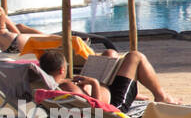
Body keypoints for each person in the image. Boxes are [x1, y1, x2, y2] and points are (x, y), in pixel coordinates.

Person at [37, 47, 181, 109]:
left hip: (104, 89)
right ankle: (161, 96)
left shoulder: (51, 87)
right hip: (115, 103)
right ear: (62, 69)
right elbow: (96, 109)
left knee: (109, 53)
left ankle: (133, 92)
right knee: (135, 57)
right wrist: (93, 83)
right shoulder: (67, 89)